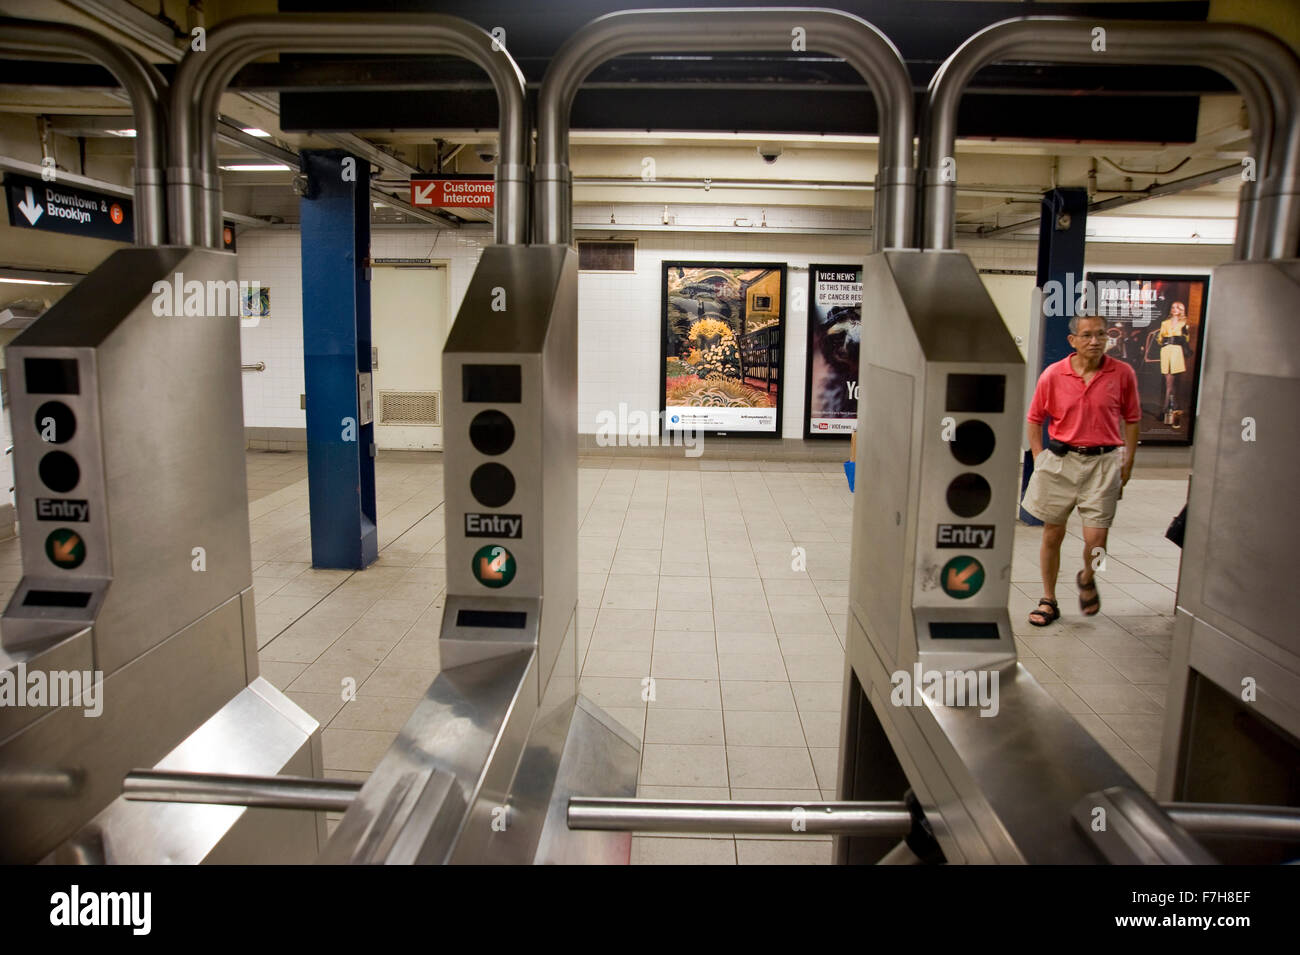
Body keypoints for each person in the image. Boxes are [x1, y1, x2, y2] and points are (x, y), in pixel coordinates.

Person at [1022, 313, 1141, 626]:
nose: (1095, 341)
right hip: (1061, 462)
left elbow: (1132, 418)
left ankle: (1090, 575)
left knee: (1098, 539)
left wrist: (1127, 461)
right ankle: (1048, 599)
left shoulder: (1122, 373)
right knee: (1053, 532)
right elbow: (1035, 418)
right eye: (1087, 335)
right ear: (1073, 341)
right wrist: (1039, 459)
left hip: (1103, 463)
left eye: (1101, 335)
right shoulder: (1053, 374)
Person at [1155, 301, 1190, 425]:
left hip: (1176, 352)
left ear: (1181, 310)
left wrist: (1182, 336)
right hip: (1165, 351)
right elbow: (1159, 339)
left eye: (1178, 307)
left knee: (1170, 383)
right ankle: (1175, 405)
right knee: (1169, 382)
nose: (1175, 309)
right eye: (1173, 307)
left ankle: (1164, 409)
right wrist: (1163, 341)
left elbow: (1186, 339)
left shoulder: (1184, 323)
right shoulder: (1164, 323)